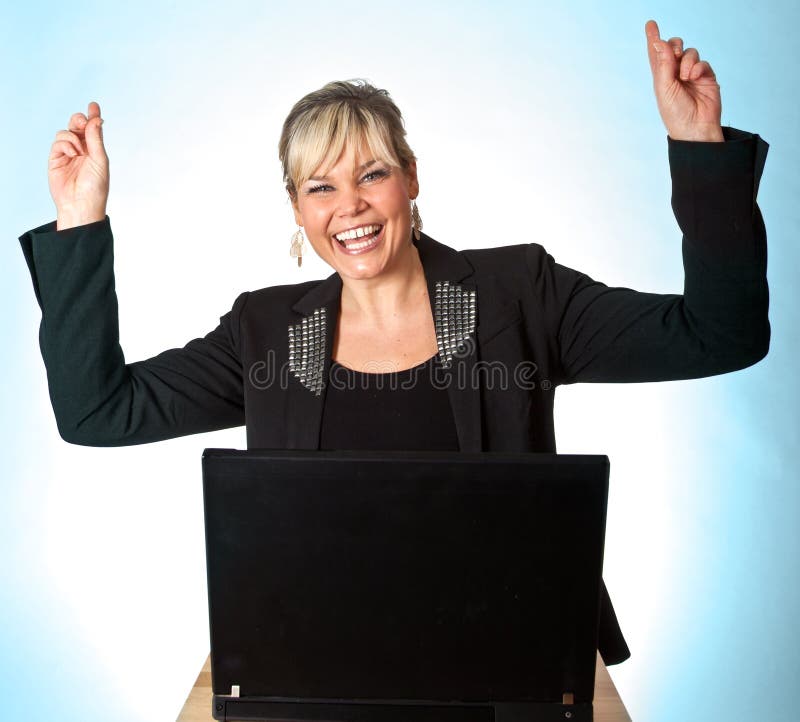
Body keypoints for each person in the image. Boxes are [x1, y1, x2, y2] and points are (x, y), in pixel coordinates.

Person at [18, 20, 769, 666]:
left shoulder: (517, 295)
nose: (351, 207)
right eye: (321, 187)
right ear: (297, 208)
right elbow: (96, 413)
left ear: (410, 179)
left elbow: (719, 335)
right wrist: (80, 223)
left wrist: (697, 145)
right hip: (316, 663)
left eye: (371, 174)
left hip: (508, 659)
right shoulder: (269, 333)